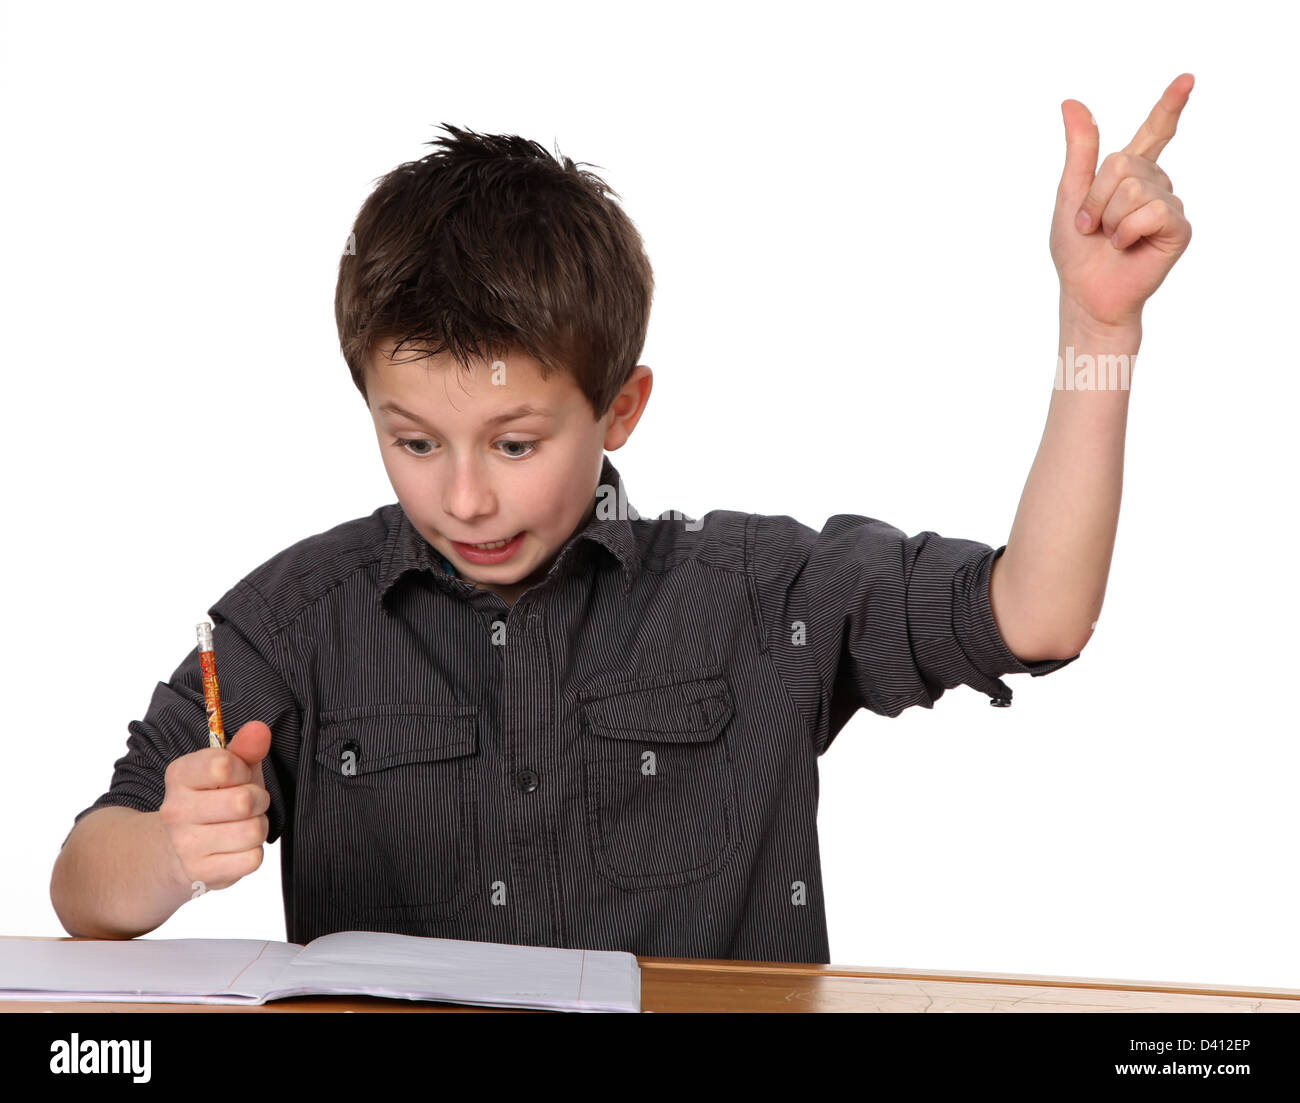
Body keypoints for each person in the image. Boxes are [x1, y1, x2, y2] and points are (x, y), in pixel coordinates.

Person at [51, 75, 1194, 963]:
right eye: (413, 441)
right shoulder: (292, 623)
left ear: (620, 407)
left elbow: (1036, 615)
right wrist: (170, 851)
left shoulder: (758, 595)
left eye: (514, 443)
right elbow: (84, 882)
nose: (463, 496)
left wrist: (1098, 337)